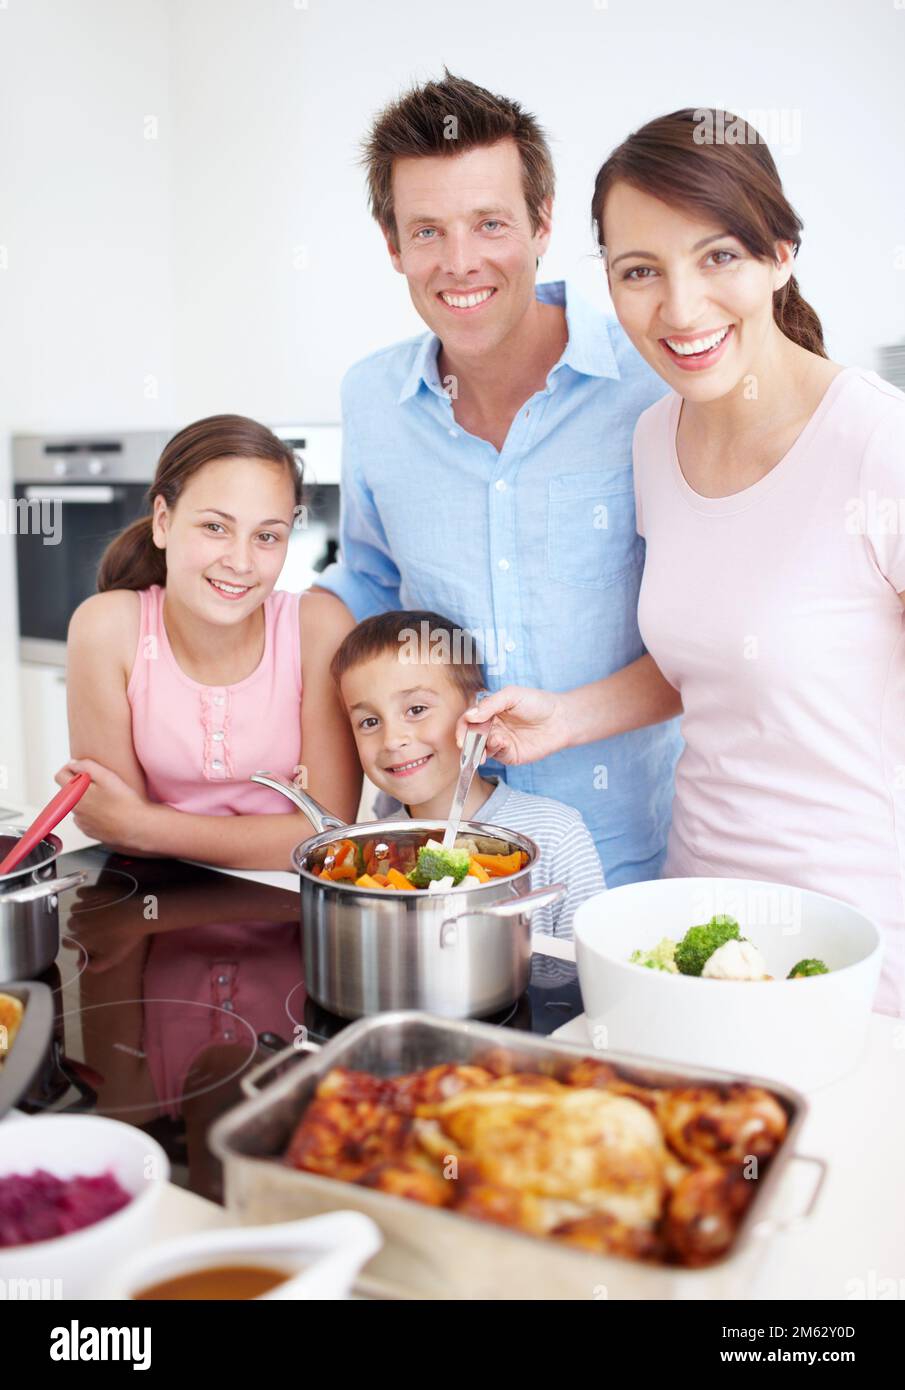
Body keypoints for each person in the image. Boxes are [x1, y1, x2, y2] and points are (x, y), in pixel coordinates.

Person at [459, 109, 905, 1016]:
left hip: (855, 951)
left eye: (717, 258)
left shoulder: (876, 445)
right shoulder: (656, 437)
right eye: (639, 272)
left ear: (779, 251)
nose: (680, 308)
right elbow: (706, 659)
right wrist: (565, 719)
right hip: (684, 926)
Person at [313, 70, 680, 889]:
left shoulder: (649, 383)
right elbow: (367, 590)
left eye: (489, 223)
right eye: (427, 231)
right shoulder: (371, 398)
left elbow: (704, 635)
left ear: (543, 223)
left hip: (630, 860)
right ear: (391, 243)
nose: (459, 262)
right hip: (442, 863)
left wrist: (571, 721)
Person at [55, 414, 361, 870]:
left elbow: (329, 837)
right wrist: (131, 827)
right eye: (215, 527)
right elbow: (113, 826)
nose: (240, 562)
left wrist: (143, 825)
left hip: (292, 907)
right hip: (155, 900)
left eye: (267, 536)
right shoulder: (105, 628)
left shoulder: (319, 627)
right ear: (163, 521)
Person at [330, 610, 605, 936]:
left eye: (416, 710)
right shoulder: (373, 852)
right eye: (369, 722)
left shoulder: (556, 833)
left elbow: (594, 968)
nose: (392, 740)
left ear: (477, 712)